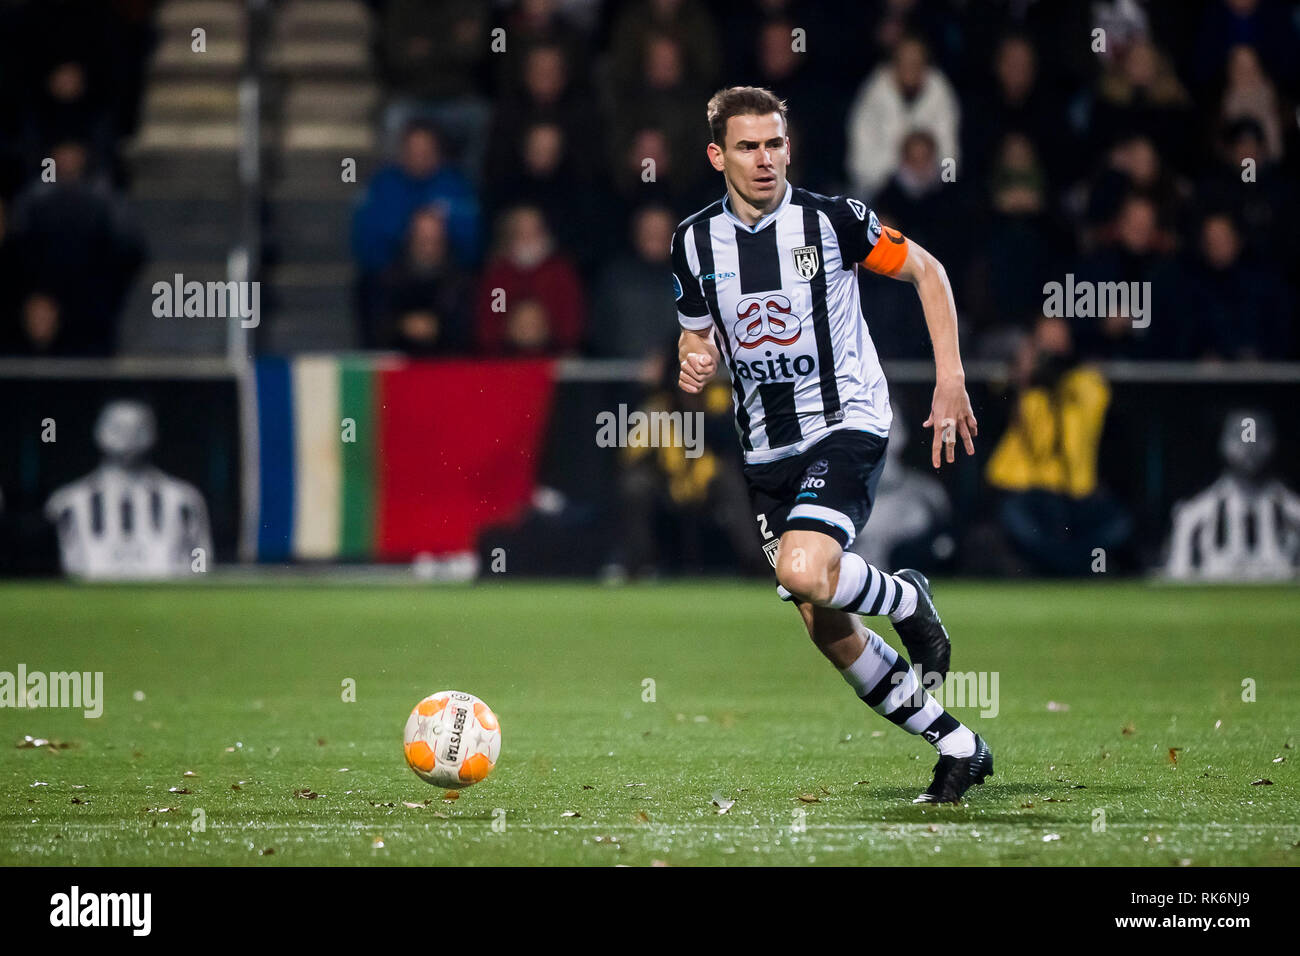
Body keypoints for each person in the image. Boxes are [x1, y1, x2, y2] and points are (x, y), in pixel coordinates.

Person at [673, 86, 990, 804]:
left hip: (844, 423)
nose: (765, 160)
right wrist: (692, 357)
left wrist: (951, 379)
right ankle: (959, 745)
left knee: (806, 568)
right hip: (764, 452)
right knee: (827, 626)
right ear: (718, 154)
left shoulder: (833, 221)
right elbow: (697, 333)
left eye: (775, 144)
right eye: (748, 146)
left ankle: (908, 600)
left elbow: (927, 272)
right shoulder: (693, 242)